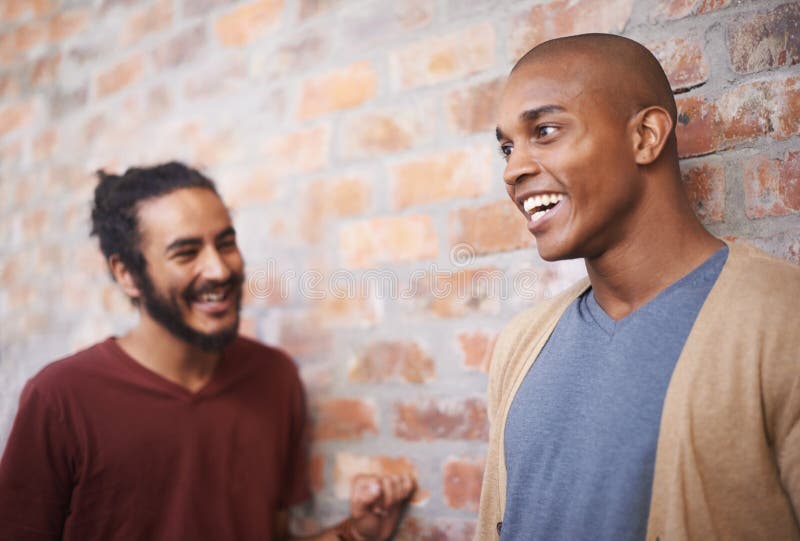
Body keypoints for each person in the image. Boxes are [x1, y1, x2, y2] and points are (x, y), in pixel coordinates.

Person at [477, 33, 800, 540]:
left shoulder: (781, 319)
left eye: (545, 130)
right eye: (506, 147)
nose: (514, 169)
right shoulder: (519, 346)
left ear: (646, 136)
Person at [0, 162, 415, 541]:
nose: (218, 269)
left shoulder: (275, 378)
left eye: (226, 243)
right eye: (186, 253)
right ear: (128, 274)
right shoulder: (60, 397)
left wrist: (357, 534)